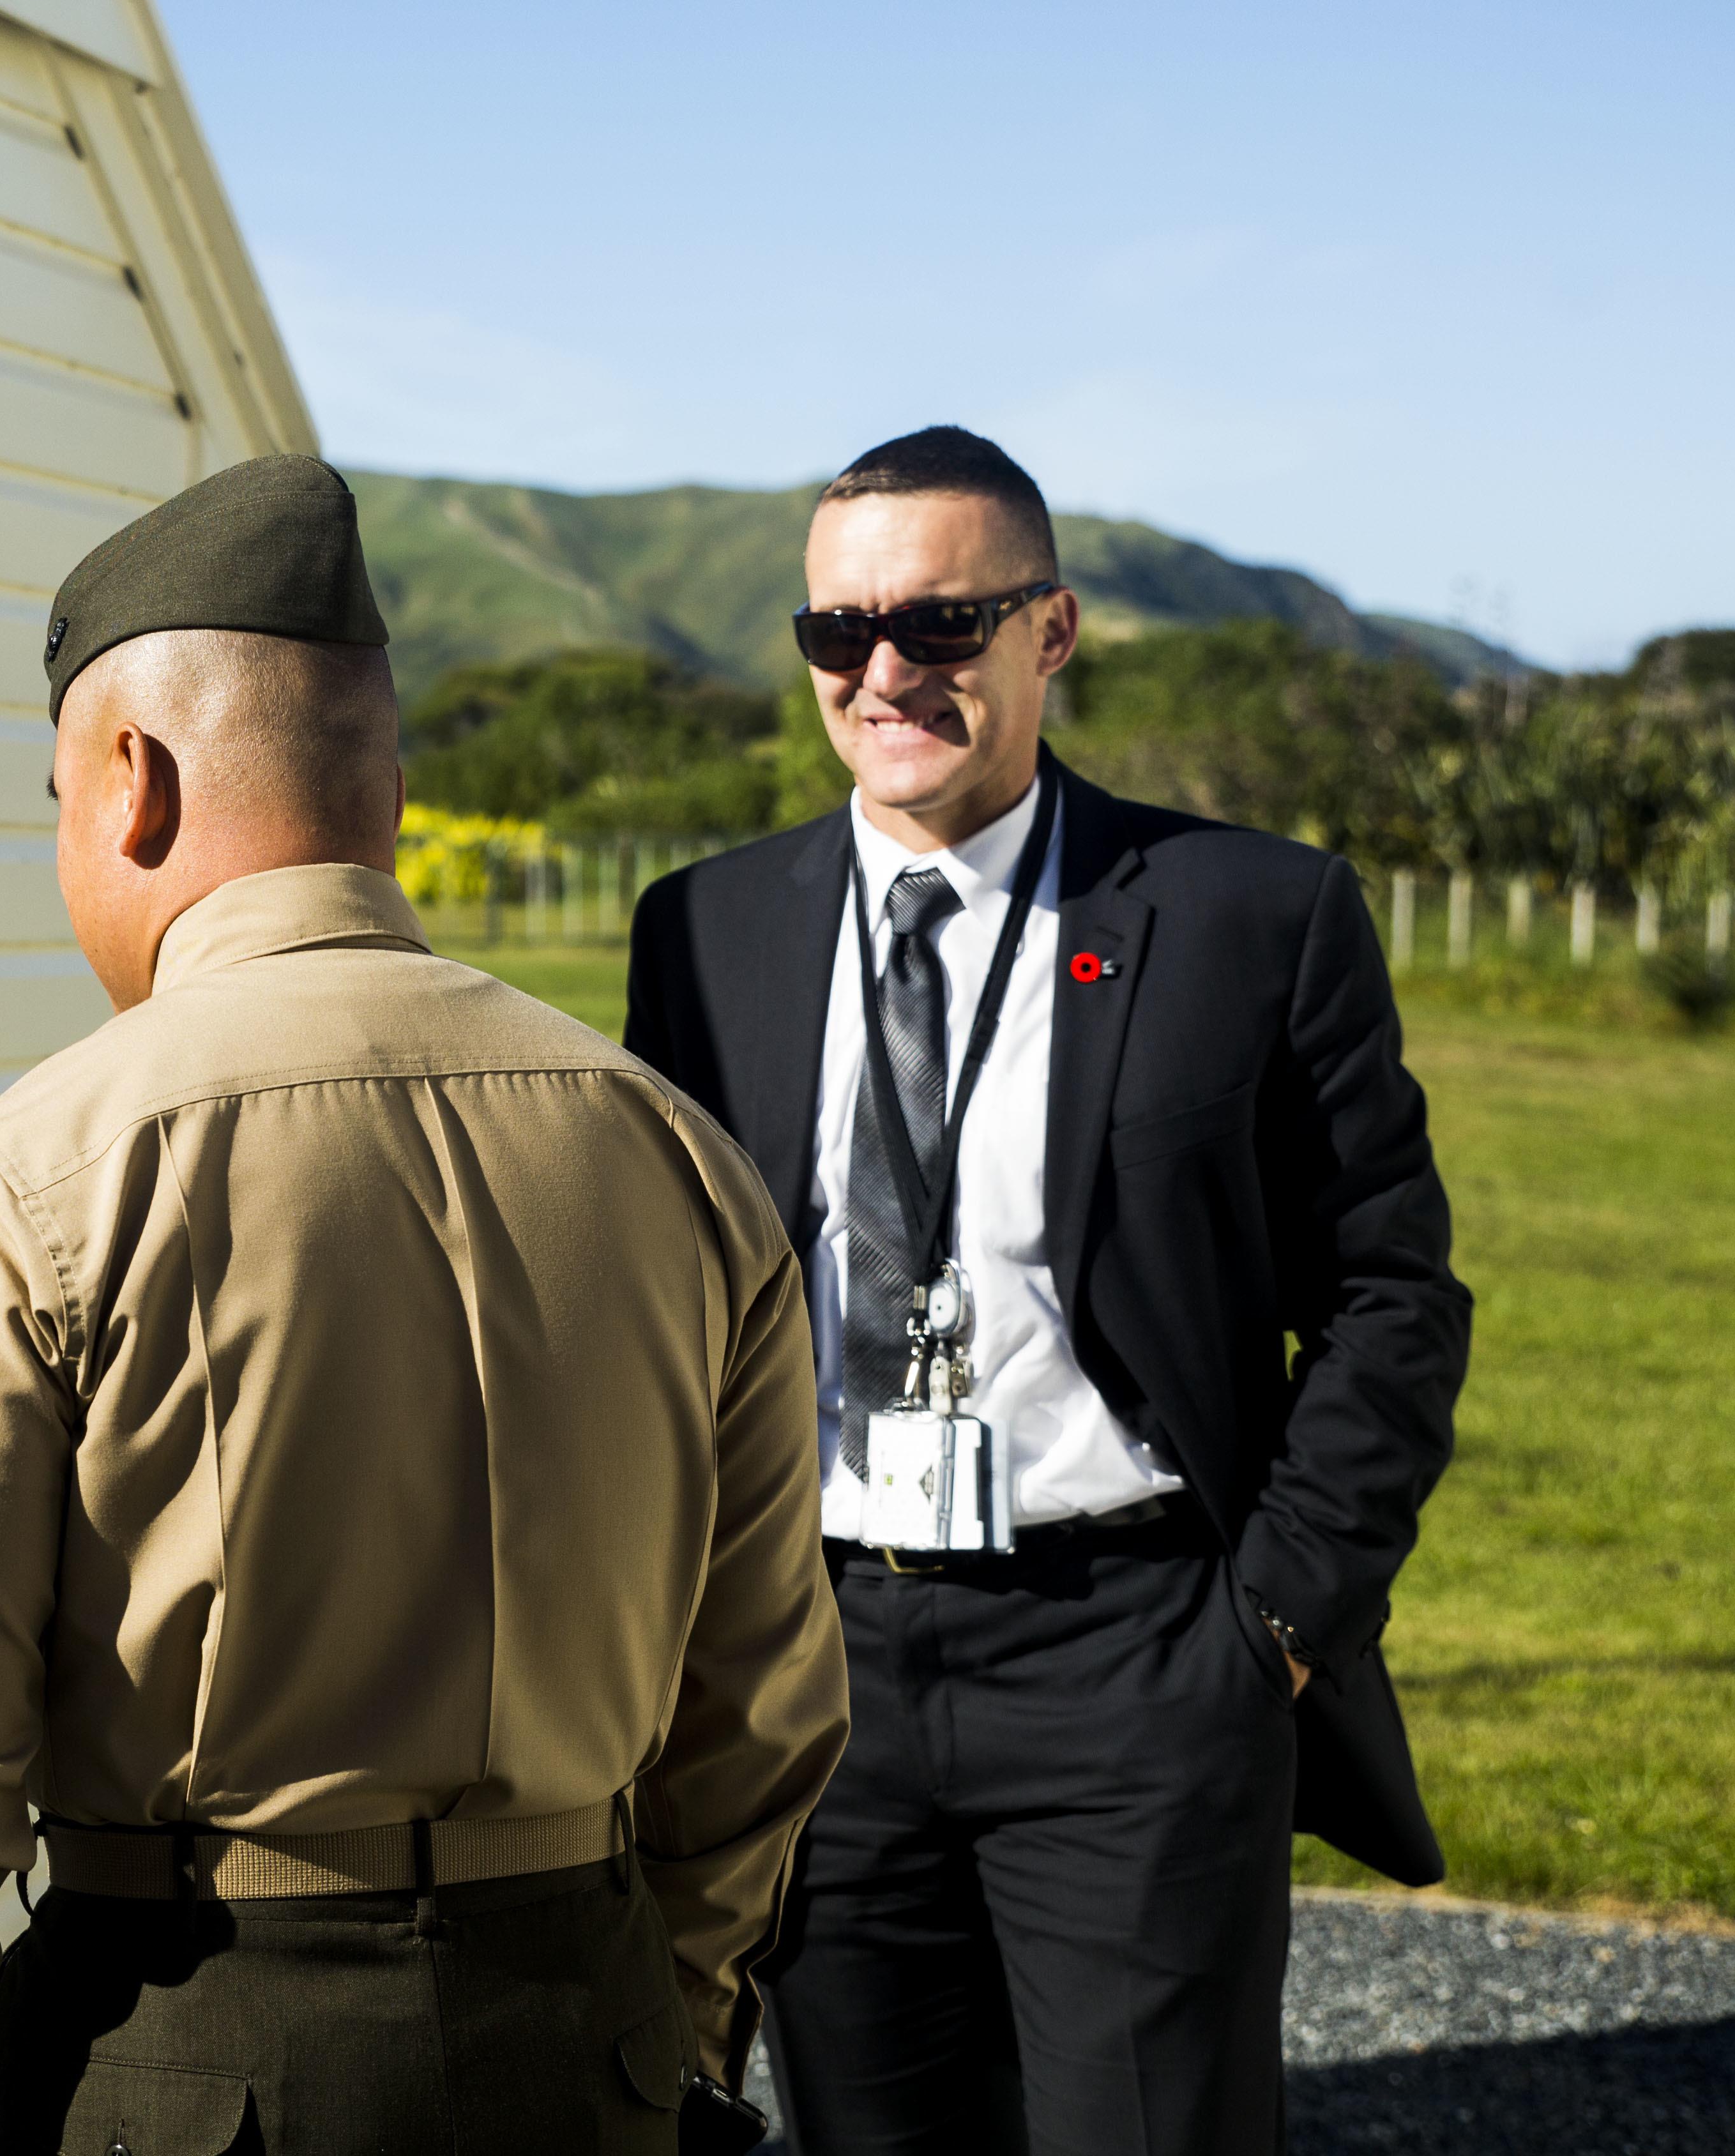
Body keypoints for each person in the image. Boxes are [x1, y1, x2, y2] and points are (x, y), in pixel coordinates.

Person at [0, 453, 848, 2156]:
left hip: (182, 2055)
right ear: (385, 788)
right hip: (593, 2041)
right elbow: (766, 1709)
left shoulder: (37, 1176)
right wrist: (668, 2028)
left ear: (131, 780)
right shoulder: (677, 1157)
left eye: (55, 800)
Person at [623, 427, 1472, 2156]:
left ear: (1051, 633)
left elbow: (1392, 1292)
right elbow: (660, 1309)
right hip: (818, 1668)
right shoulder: (702, 930)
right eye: (835, 634)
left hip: (1137, 1661)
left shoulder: (1252, 912)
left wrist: (1275, 1627)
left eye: (939, 628)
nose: (881, 673)